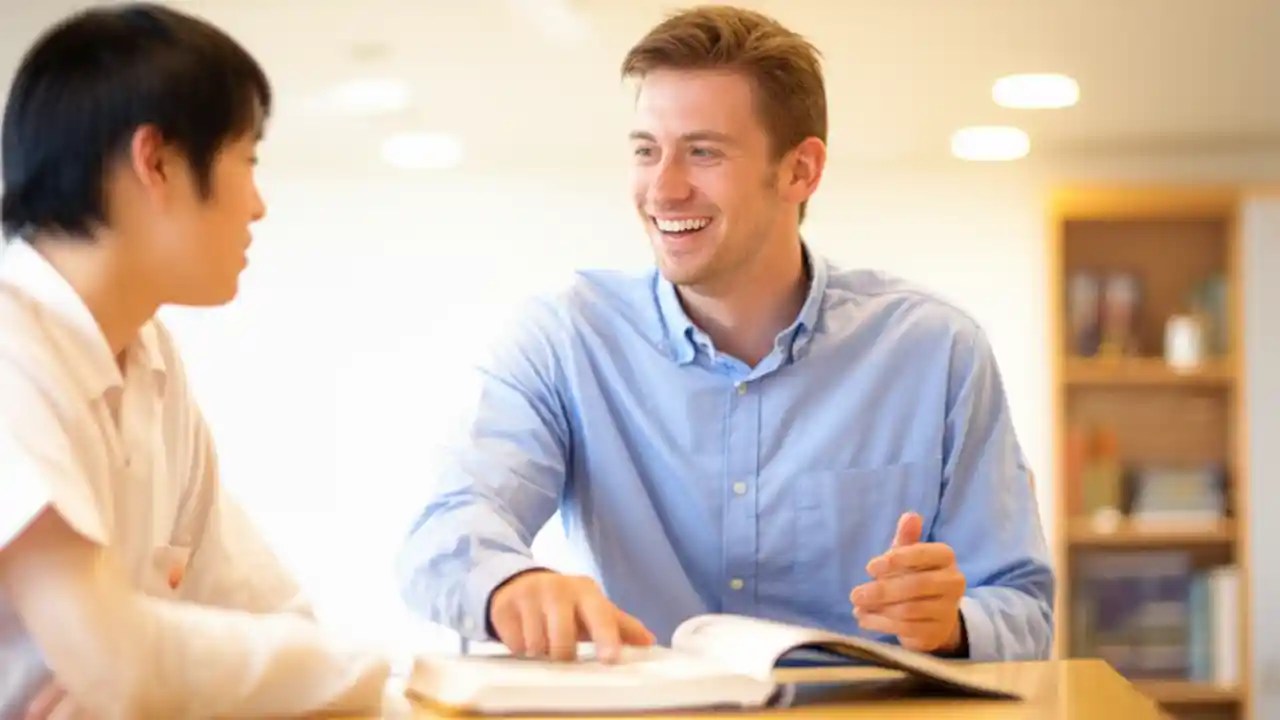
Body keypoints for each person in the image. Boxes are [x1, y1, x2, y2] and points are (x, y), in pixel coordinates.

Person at [397, 4, 1053, 664]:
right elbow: (448, 525)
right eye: (647, 151)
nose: (664, 187)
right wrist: (513, 583)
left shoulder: (936, 350)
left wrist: (950, 624)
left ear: (800, 171)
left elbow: (1024, 608)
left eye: (703, 152)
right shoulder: (565, 341)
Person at [0, 4, 390, 718]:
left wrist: (162, 678)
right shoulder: (9, 343)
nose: (259, 205)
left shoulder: (148, 356)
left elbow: (269, 617)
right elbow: (112, 659)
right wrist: (357, 670)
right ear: (158, 162)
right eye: (249, 160)